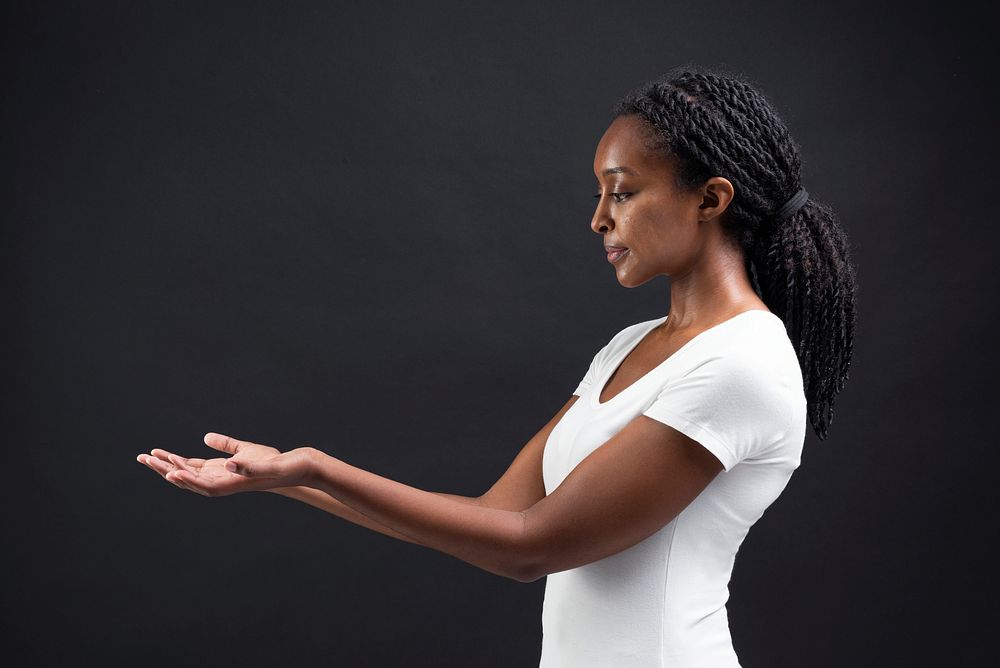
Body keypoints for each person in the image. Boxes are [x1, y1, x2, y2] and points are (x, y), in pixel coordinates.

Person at [137, 66, 857, 667]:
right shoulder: (629, 346)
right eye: (601, 193)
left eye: (624, 190)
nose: (599, 219)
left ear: (711, 198)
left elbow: (528, 549)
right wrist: (285, 481)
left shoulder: (743, 364)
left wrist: (320, 466)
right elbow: (493, 519)